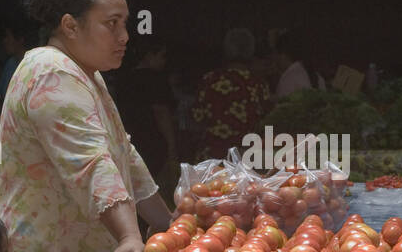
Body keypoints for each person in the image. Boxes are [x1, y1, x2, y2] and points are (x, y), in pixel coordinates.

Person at [0, 0, 172, 252]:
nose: (124, 36)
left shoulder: (85, 72)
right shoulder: (50, 72)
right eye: (112, 24)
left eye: (126, 23)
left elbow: (124, 154)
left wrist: (169, 225)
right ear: (70, 26)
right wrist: (128, 235)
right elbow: (92, 162)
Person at [109, 35, 178, 195]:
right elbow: (162, 113)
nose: (165, 61)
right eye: (162, 56)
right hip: (153, 141)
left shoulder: (123, 79)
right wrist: (172, 147)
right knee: (154, 189)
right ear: (149, 55)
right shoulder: (155, 79)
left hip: (128, 140)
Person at [191, 27, 272, 159]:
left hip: (212, 155)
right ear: (250, 51)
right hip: (247, 156)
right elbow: (266, 120)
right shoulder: (258, 83)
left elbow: (197, 117)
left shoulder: (209, 79)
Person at [271, 28, 314, 98]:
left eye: (276, 55)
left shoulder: (288, 78)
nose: (275, 60)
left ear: (283, 56)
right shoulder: (302, 71)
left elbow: (281, 107)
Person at [0, 27, 30, 108]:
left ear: (20, 40)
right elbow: (0, 96)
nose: (5, 41)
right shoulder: (10, 63)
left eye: (8, 37)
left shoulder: (31, 64)